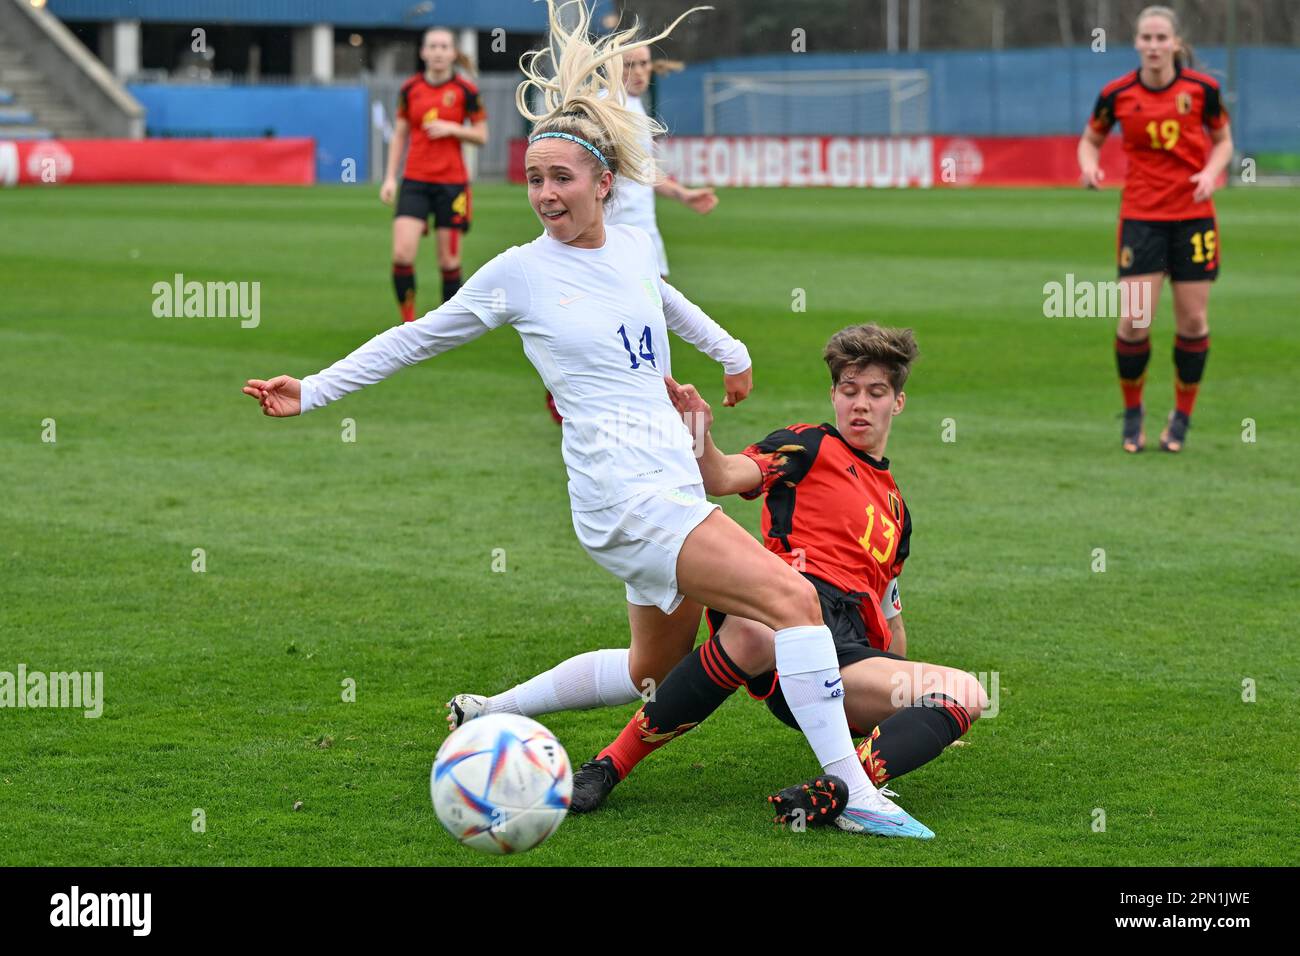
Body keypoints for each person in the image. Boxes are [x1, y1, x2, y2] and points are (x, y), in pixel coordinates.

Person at [243, 0, 924, 838]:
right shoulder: (518, 274)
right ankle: (853, 791)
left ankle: (489, 708)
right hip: (623, 495)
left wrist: (733, 350)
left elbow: (665, 301)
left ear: (605, 183)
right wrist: (309, 390)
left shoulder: (634, 249)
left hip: (667, 480)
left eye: (561, 178)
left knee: (653, 667)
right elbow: (414, 341)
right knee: (792, 602)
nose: (544, 194)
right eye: (534, 179)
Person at [492, 326, 983, 831]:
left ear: (897, 403)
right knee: (757, 628)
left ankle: (841, 790)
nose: (861, 405)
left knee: (966, 691)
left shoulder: (898, 508)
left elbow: (888, 614)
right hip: (784, 624)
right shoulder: (807, 445)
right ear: (833, 394)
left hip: (848, 655)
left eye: (876, 393)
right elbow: (722, 477)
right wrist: (699, 431)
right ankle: (608, 765)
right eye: (850, 391)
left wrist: (905, 714)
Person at [1077, 4, 1232, 453]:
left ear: (1176, 43)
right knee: (1134, 322)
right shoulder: (1117, 93)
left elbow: (1223, 141)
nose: (1154, 46)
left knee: (1193, 321)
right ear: (1136, 43)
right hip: (1142, 219)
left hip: (1193, 218)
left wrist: (1210, 173)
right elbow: (1091, 138)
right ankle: (1133, 411)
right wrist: (1088, 167)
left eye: (1162, 38)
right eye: (1146, 38)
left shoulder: (1204, 89)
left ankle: (1182, 416)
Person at [544, 41, 719, 425]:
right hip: (612, 233)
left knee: (649, 315)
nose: (638, 72)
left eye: (644, 65)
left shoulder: (636, 108)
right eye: (629, 65)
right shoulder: (605, 110)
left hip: (644, 232)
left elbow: (645, 172)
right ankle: (599, 394)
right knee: (630, 315)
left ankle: (635, 395)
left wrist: (683, 195)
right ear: (611, 69)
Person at [380, 27, 489, 324]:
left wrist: (453, 128)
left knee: (449, 261)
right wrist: (390, 177)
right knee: (402, 254)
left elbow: (482, 135)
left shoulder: (467, 91)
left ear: (453, 53)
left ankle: (447, 326)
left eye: (444, 46)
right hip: (414, 181)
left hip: (452, 185)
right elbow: (400, 134)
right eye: (433, 46)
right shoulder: (410, 89)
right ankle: (408, 323)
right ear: (423, 52)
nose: (439, 52)